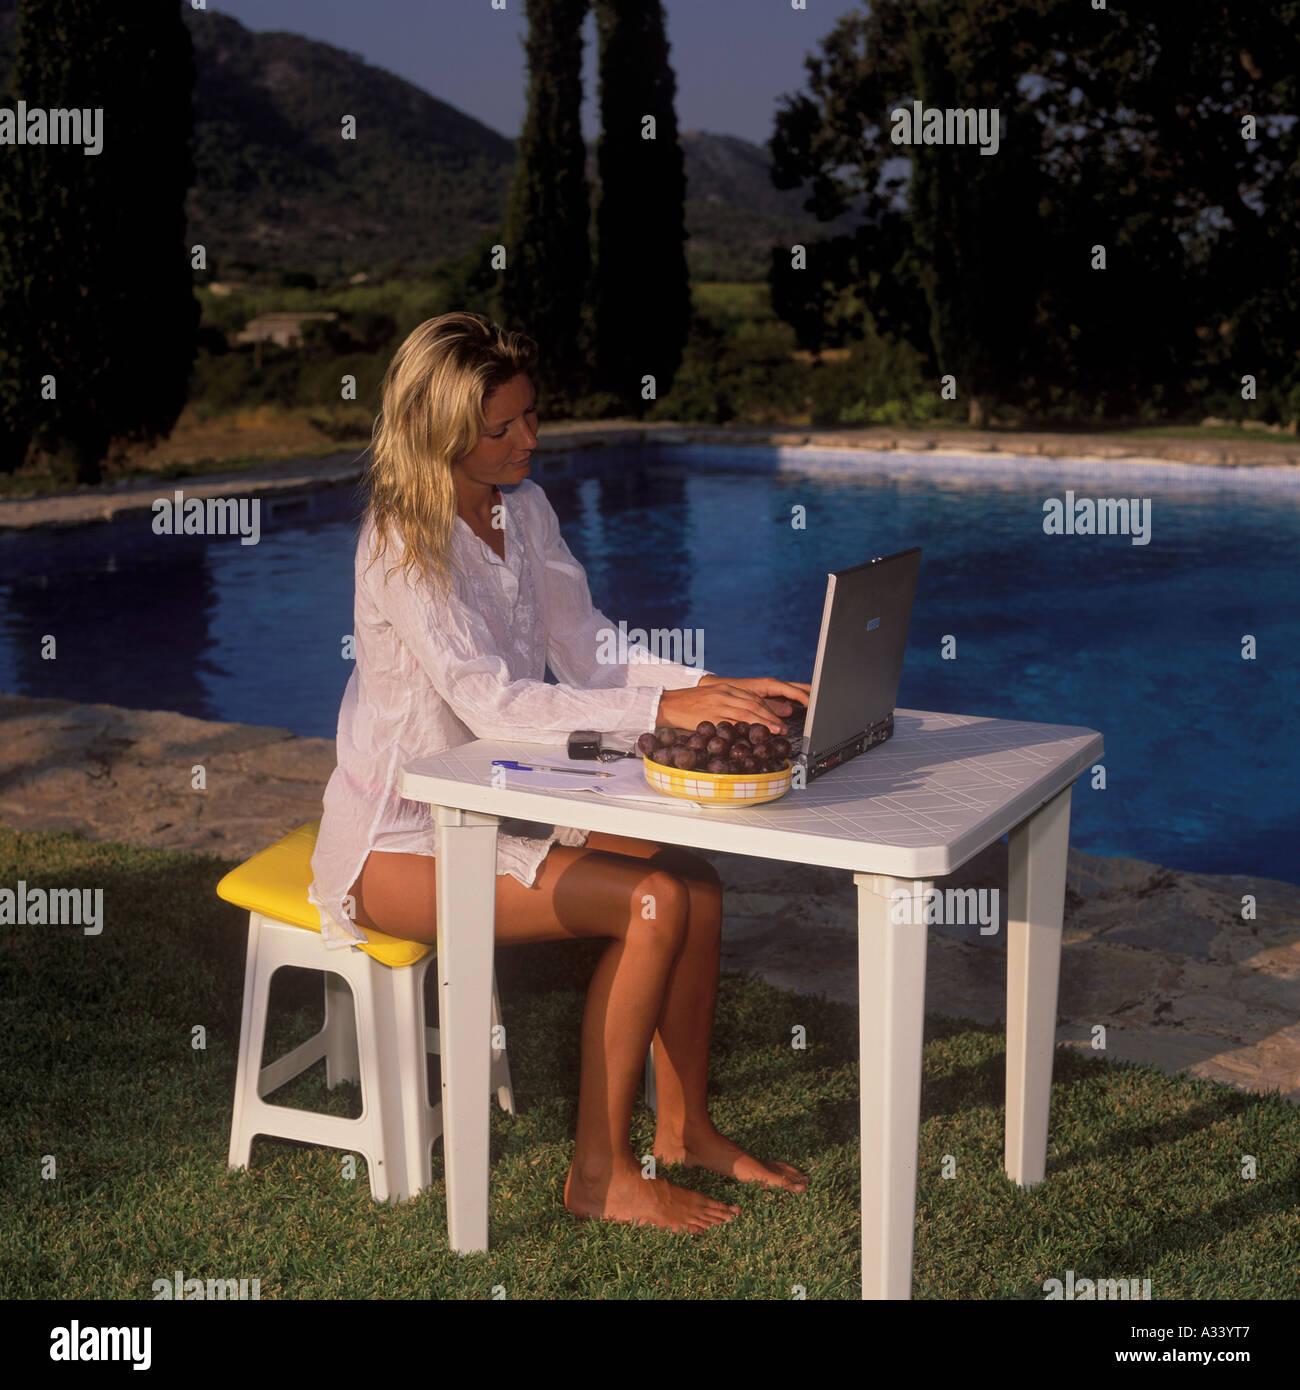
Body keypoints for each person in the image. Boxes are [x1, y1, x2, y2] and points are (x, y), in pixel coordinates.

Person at [308, 312, 811, 1235]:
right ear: (441, 434)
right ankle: (599, 1175)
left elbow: (588, 647)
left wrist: (711, 686)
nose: (527, 440)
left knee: (695, 881)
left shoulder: (523, 507)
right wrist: (661, 713)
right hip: (398, 838)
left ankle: (689, 1130)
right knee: (652, 901)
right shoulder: (399, 542)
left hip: (497, 804)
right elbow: (492, 702)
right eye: (501, 430)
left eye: (529, 417)